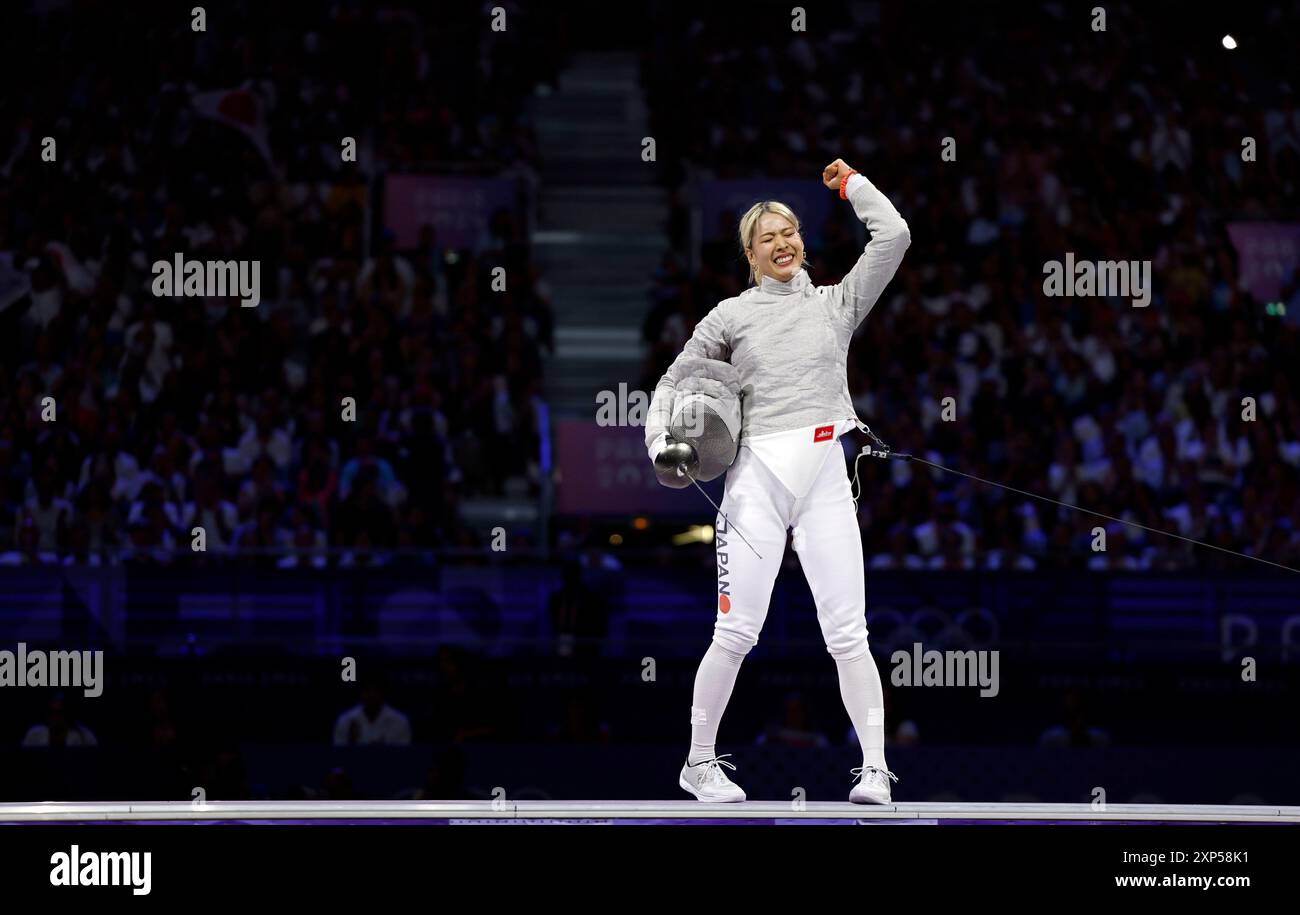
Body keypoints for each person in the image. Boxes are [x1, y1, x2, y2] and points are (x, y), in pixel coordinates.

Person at [646, 159, 911, 803]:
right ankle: (699, 763)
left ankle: (874, 767)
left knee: (849, 633)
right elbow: (671, 384)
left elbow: (895, 236)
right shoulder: (730, 316)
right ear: (750, 254)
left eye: (790, 230)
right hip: (754, 482)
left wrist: (853, 187)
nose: (782, 241)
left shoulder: (835, 306)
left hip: (822, 477)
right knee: (735, 632)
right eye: (767, 236)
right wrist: (662, 442)